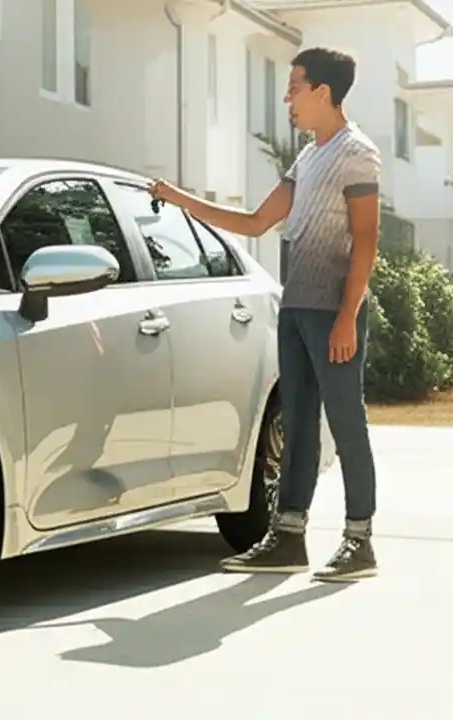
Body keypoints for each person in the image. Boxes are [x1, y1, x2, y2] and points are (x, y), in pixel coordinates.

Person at [150, 46, 382, 583]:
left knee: (346, 424)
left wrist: (348, 316)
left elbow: (367, 241)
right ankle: (289, 537)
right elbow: (256, 222)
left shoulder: (357, 152)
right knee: (297, 426)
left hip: (333, 312)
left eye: (294, 87)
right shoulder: (308, 157)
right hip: (296, 307)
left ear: (323, 92)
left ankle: (360, 540)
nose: (287, 99)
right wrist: (179, 199)